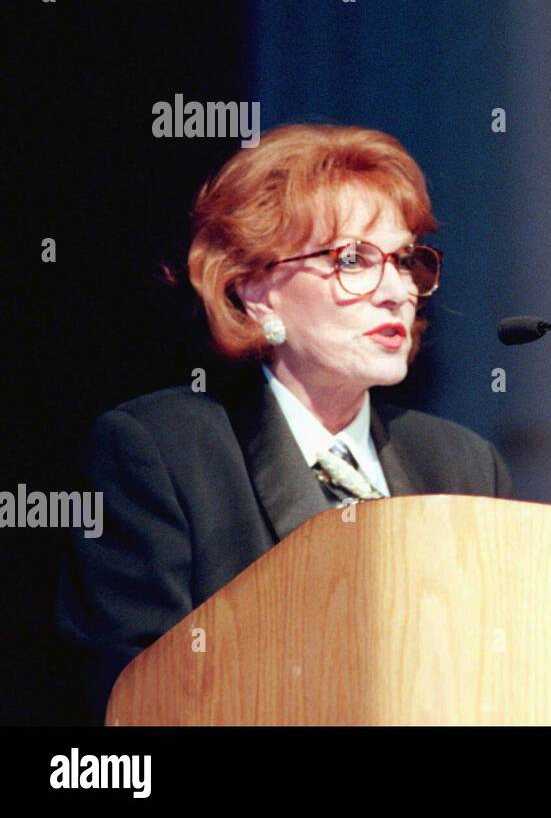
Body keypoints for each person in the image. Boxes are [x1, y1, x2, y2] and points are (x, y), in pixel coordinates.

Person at [55, 123, 511, 723]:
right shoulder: (162, 453)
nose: (396, 290)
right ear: (254, 288)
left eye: (406, 261)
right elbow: (138, 704)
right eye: (353, 259)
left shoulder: (463, 464)